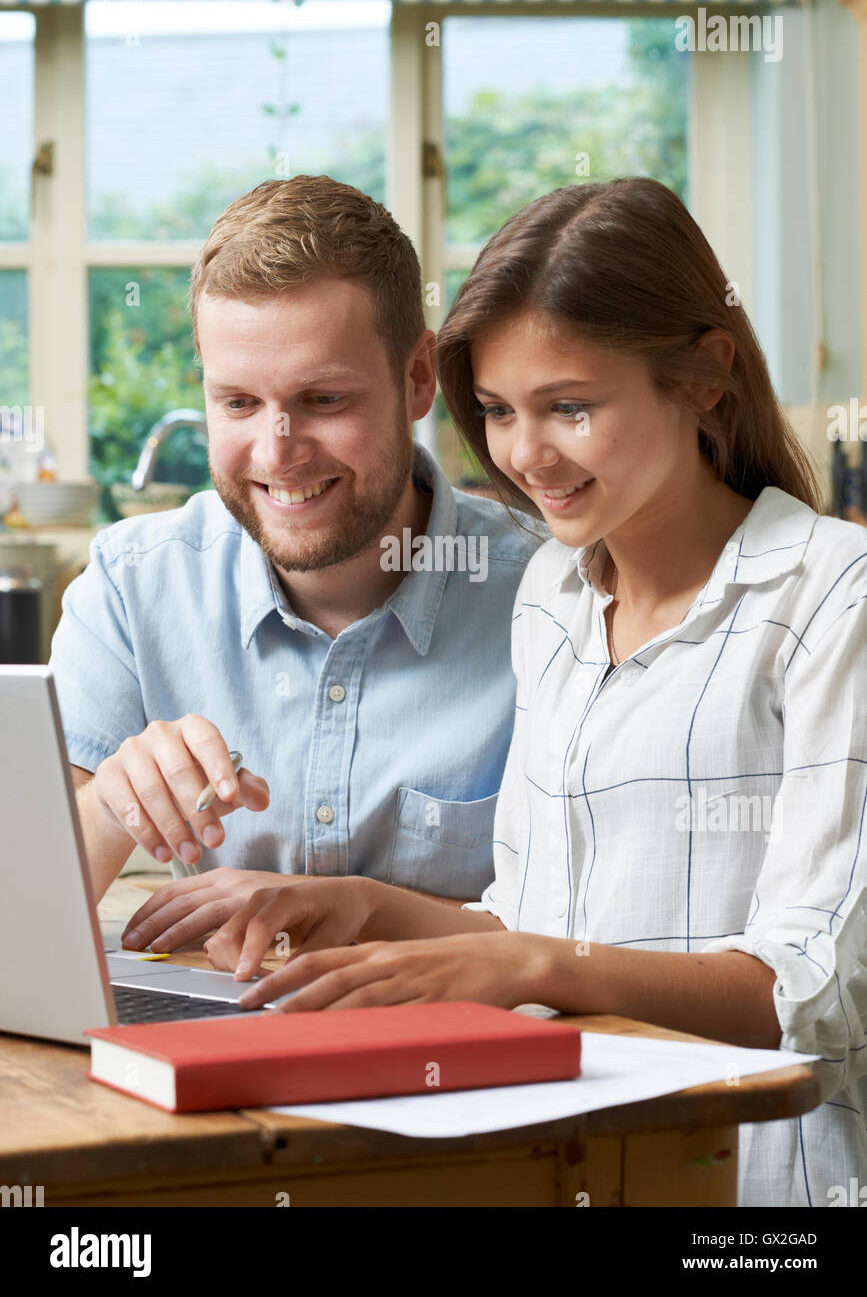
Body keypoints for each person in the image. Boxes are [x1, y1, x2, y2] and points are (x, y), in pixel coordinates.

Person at [208, 178, 867, 1210]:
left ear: (704, 376)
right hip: (578, 1170)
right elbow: (531, 917)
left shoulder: (835, 597)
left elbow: (803, 992)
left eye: (570, 406)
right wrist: (360, 908)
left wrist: (533, 965)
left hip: (765, 1191)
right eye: (502, 411)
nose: (524, 455)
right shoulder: (556, 594)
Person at [48, 175, 544, 941]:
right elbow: (21, 918)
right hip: (223, 1028)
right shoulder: (131, 583)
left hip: (484, 1053)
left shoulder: (554, 595)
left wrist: (367, 915)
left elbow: (590, 933)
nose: (278, 453)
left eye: (323, 400)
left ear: (417, 378)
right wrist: (114, 804)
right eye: (238, 402)